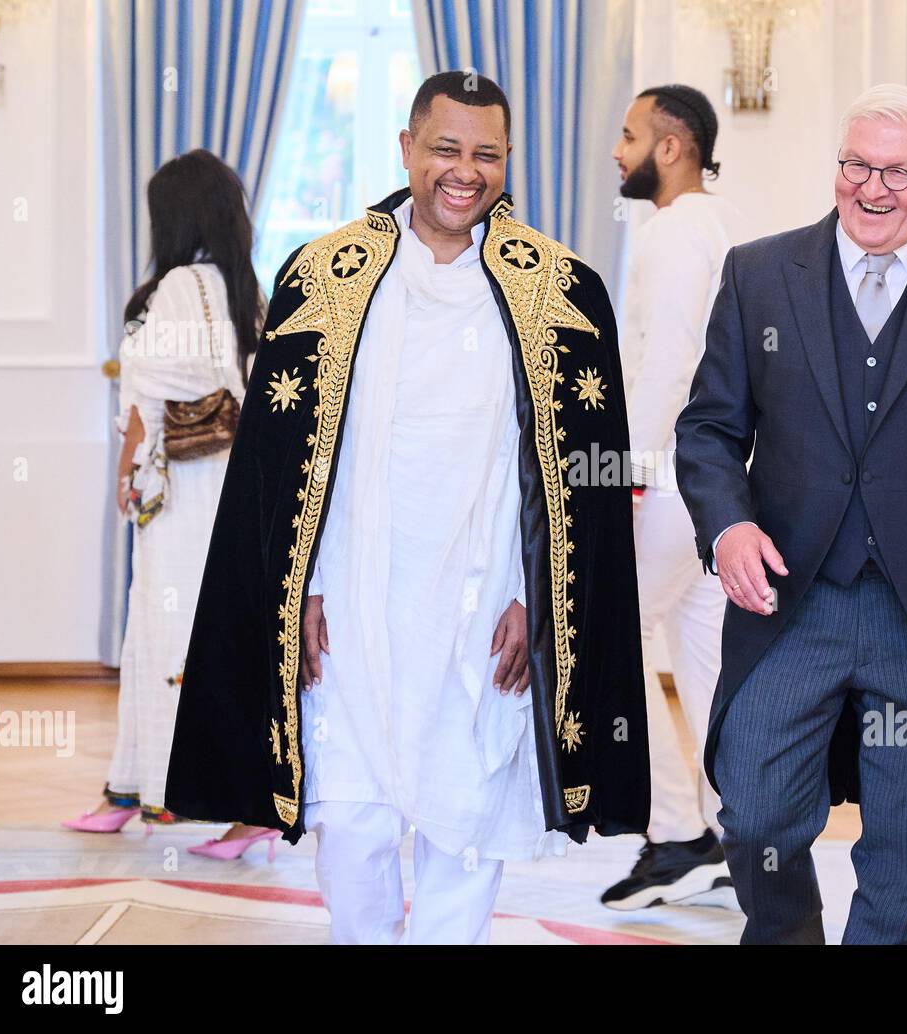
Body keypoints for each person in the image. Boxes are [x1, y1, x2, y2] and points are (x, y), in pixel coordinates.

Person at [163, 72, 649, 944]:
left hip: (486, 605)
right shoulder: (323, 281)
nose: (464, 172)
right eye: (446, 149)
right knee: (352, 823)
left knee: (467, 825)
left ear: (508, 159)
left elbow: (586, 483)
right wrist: (294, 587)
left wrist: (540, 602)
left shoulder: (562, 294)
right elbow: (273, 474)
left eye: (486, 154)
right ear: (406, 150)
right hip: (350, 600)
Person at [674, 83, 907, 944]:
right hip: (788, 602)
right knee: (759, 816)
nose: (873, 188)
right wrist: (729, 526)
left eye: (897, 171)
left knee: (906, 854)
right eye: (857, 165)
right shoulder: (760, 273)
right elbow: (706, 430)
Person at [65, 150, 278, 859]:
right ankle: (134, 788)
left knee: (175, 639)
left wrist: (125, 472)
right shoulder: (247, 291)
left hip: (187, 495)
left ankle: (210, 799)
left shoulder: (182, 286)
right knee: (196, 642)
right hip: (234, 489)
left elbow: (149, 386)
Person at [601, 85, 744, 911]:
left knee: (610, 634)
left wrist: (630, 470)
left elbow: (670, 366)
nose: (617, 153)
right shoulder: (713, 226)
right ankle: (739, 833)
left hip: (673, 478)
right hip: (710, 481)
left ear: (672, 144)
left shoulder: (674, 232)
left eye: (628, 136)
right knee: (703, 660)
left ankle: (678, 831)